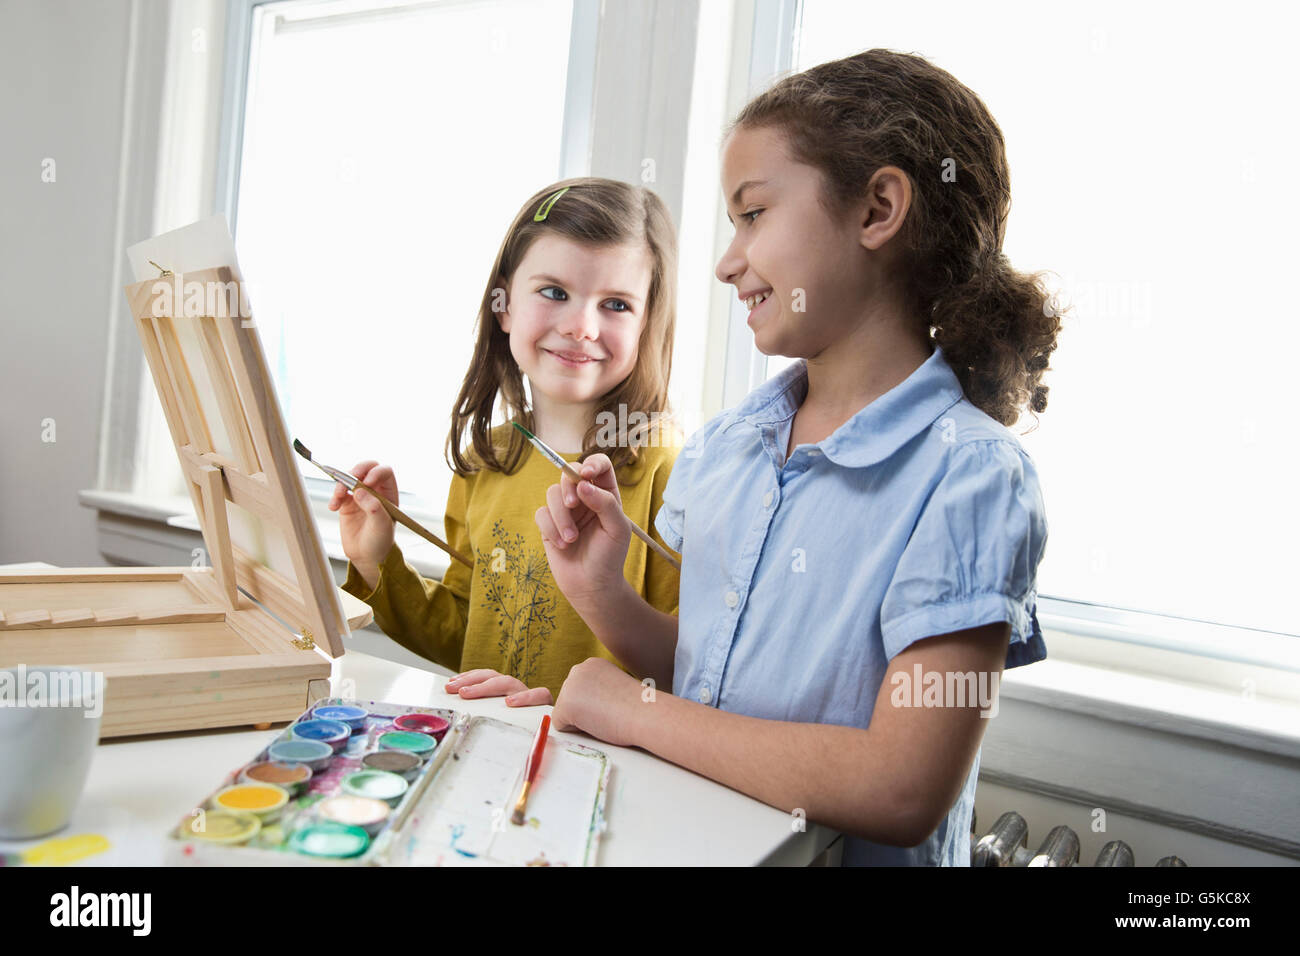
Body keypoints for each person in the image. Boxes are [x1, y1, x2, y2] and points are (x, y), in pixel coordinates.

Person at [536, 50, 1061, 864]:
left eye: (753, 215)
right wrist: (605, 597)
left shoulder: (971, 477)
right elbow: (713, 673)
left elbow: (901, 785)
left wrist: (633, 712)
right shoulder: (728, 447)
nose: (725, 261)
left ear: (878, 208)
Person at [333, 178, 682, 705]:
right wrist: (376, 563)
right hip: (490, 756)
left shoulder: (668, 468)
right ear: (504, 305)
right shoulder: (484, 460)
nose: (582, 326)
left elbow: (687, 670)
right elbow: (468, 636)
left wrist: (561, 708)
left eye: (616, 304)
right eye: (555, 292)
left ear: (647, 323)